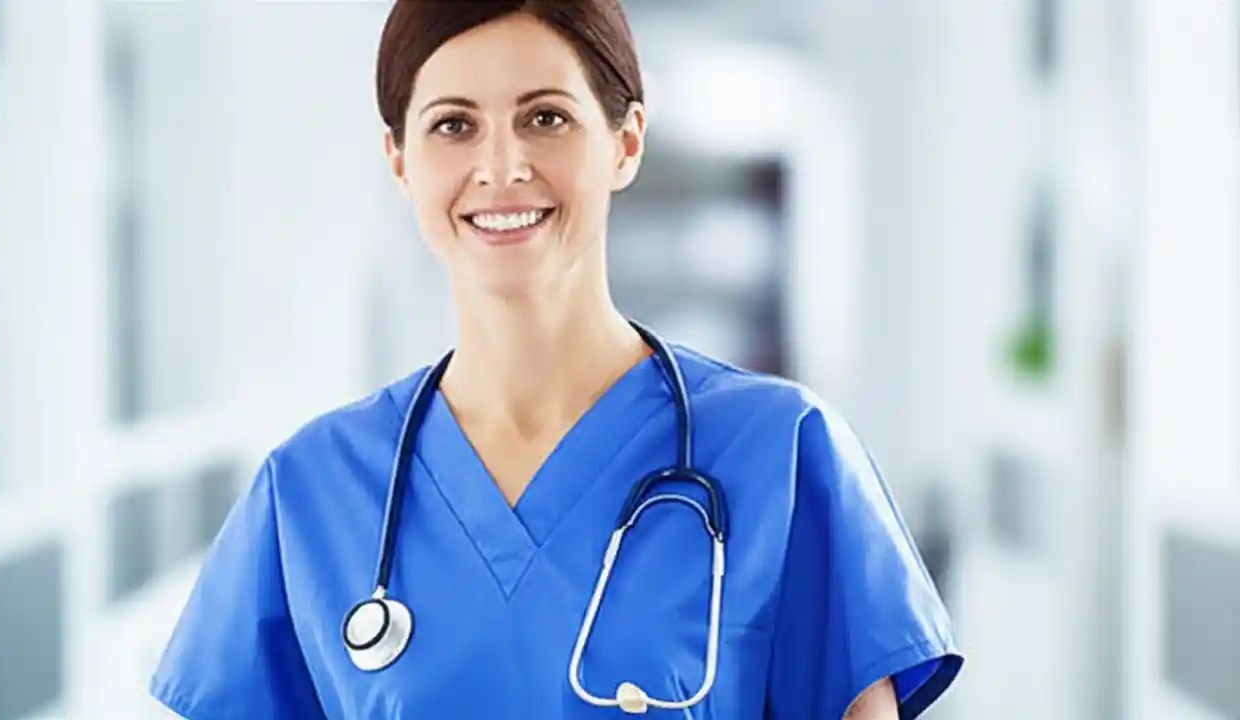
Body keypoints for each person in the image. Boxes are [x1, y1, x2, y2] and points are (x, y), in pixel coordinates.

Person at [148, 1, 963, 718]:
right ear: (400, 160)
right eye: (453, 125)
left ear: (625, 141)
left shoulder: (782, 452)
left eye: (545, 117)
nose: (502, 168)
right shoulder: (313, 489)